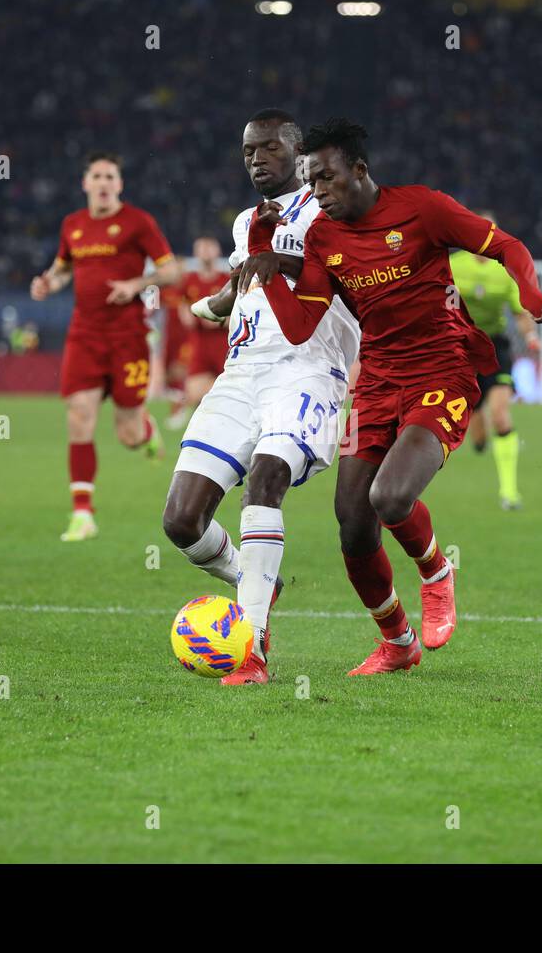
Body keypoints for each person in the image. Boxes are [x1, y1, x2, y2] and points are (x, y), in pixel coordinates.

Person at [238, 118, 542, 676]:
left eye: (329, 178)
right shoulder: (322, 238)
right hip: (378, 381)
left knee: (390, 497)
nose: (320, 193)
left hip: (444, 370)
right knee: (352, 525)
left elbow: (505, 245)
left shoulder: (422, 209)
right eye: (312, 183)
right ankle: (397, 642)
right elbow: (300, 326)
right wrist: (265, 254)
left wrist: (529, 292)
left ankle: (436, 574)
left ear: (360, 170)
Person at [161, 109, 360, 685]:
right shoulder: (247, 220)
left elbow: (348, 273)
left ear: (298, 154)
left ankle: (251, 646)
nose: (255, 159)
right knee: (181, 521)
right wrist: (217, 303)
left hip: (307, 371)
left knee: (266, 477)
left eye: (268, 148)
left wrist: (285, 260)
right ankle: (257, 576)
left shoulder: (333, 209)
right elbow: (246, 277)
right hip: (240, 375)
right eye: (248, 151)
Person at [30, 151, 180, 541]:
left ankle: (145, 430)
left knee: (127, 435)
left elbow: (172, 269)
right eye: (96, 176)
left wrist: (135, 285)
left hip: (128, 336)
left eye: (109, 176)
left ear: (119, 184)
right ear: (85, 184)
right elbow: (63, 267)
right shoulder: (73, 225)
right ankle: (83, 513)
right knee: (79, 415)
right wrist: (48, 281)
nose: (102, 182)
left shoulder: (137, 222)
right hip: (84, 334)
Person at [449, 213, 541, 510]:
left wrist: (530, 337)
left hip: (495, 346)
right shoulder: (453, 265)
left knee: (501, 414)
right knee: (476, 437)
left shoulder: (504, 270)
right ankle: (479, 439)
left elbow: (520, 312)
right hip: (461, 348)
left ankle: (510, 493)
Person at [176, 236, 230, 411]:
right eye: (202, 248)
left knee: (228, 394)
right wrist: (188, 316)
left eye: (209, 248)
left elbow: (238, 310)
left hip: (224, 345)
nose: (206, 252)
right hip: (199, 345)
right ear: (196, 252)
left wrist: (219, 319)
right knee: (194, 394)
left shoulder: (227, 280)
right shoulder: (188, 281)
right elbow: (183, 308)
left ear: (218, 251)